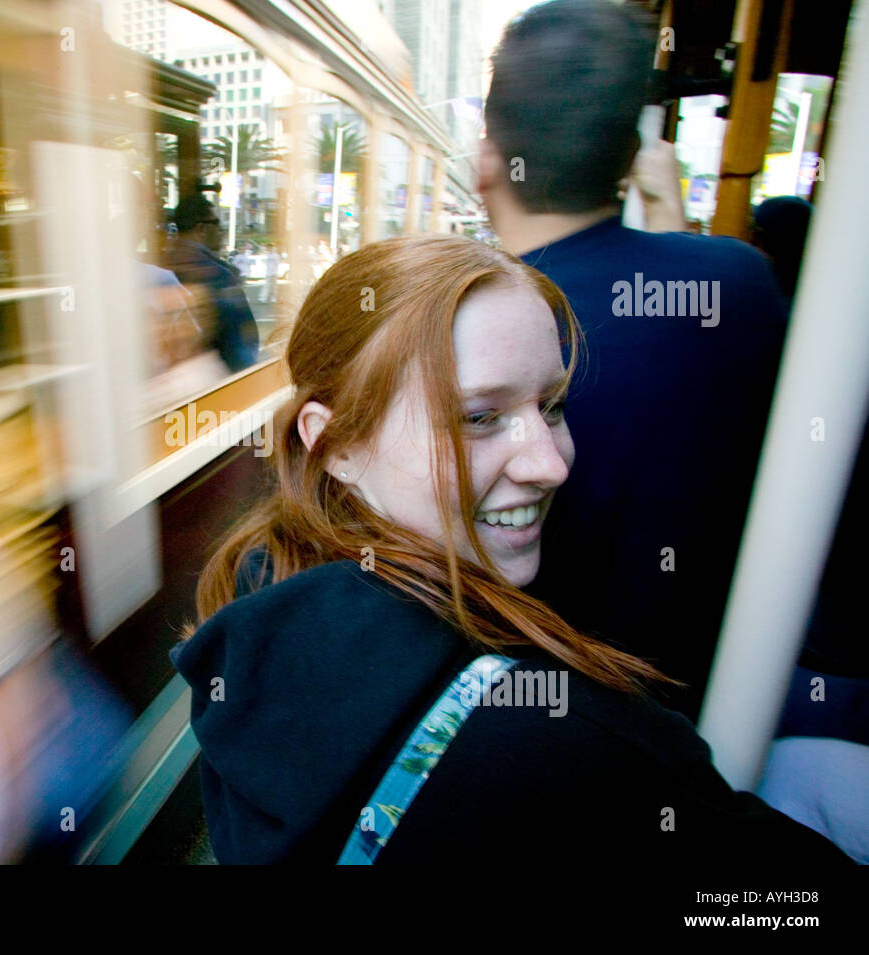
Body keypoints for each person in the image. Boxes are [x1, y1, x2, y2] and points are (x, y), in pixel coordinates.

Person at [170, 235, 848, 865]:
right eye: (479, 417)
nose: (550, 463)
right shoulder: (563, 748)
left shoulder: (258, 606)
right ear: (336, 444)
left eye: (550, 405)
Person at [477, 0, 790, 719]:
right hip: (703, 710)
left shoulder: (465, 325)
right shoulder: (738, 284)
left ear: (490, 160)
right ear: (630, 159)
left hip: (523, 720)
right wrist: (670, 213)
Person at [165, 194, 259, 374]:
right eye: (217, 223)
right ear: (201, 229)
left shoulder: (162, 264)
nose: (221, 231)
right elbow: (242, 349)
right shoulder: (219, 276)